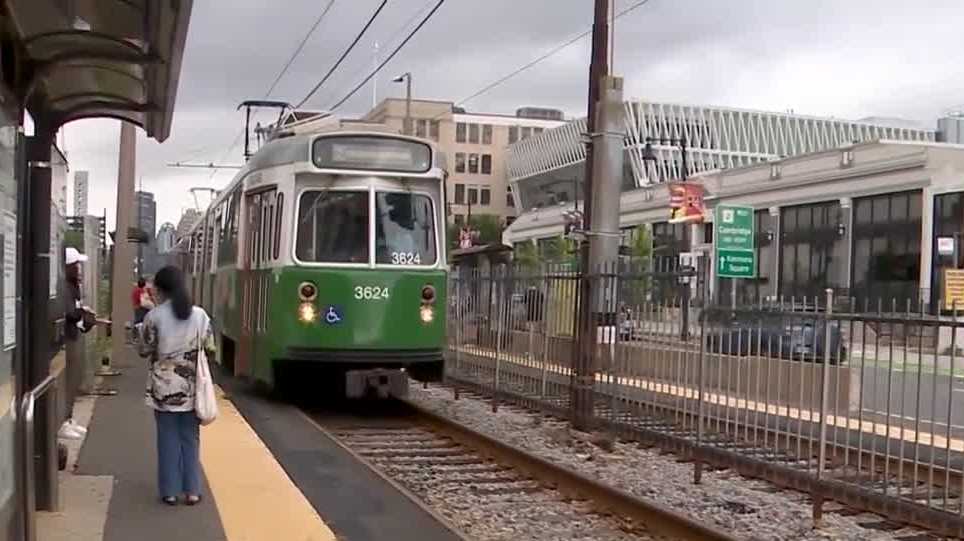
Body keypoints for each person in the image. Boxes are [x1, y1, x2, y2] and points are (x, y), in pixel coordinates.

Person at [138, 266, 215, 506]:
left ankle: (169, 492)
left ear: (160, 290)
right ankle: (192, 490)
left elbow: (144, 350)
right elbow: (210, 348)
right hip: (192, 387)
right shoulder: (200, 315)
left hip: (163, 388)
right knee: (190, 439)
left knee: (167, 438)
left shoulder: (154, 317)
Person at [60, 247, 98, 440]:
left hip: (73, 335)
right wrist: (83, 313)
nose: (80, 269)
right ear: (68, 267)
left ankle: (69, 418)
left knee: (73, 379)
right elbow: (70, 314)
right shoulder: (65, 288)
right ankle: (64, 421)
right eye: (76, 265)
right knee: (68, 381)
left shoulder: (72, 287)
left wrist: (83, 313)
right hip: (67, 338)